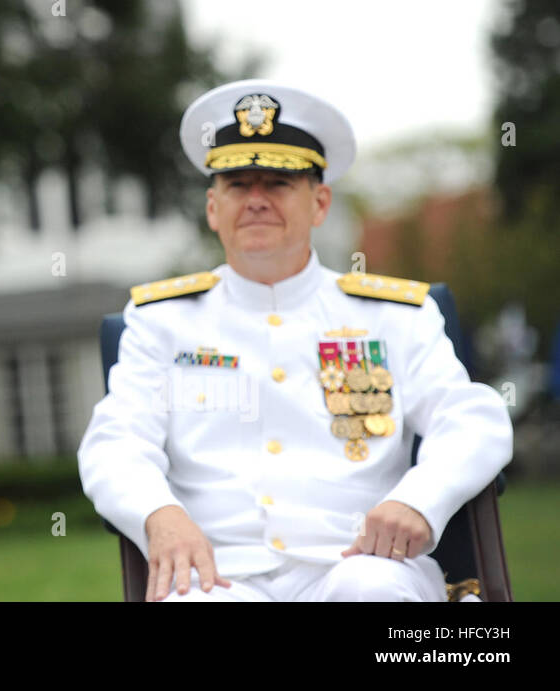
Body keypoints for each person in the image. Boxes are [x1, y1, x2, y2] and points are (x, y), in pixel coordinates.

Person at [77, 80, 513, 602]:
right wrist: (159, 514)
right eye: (238, 184)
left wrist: (421, 500)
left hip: (357, 563)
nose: (256, 200)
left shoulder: (394, 315)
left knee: (370, 592)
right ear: (213, 207)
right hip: (218, 575)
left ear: (320, 202)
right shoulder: (162, 322)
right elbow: (115, 442)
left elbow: (472, 419)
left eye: (278, 183)